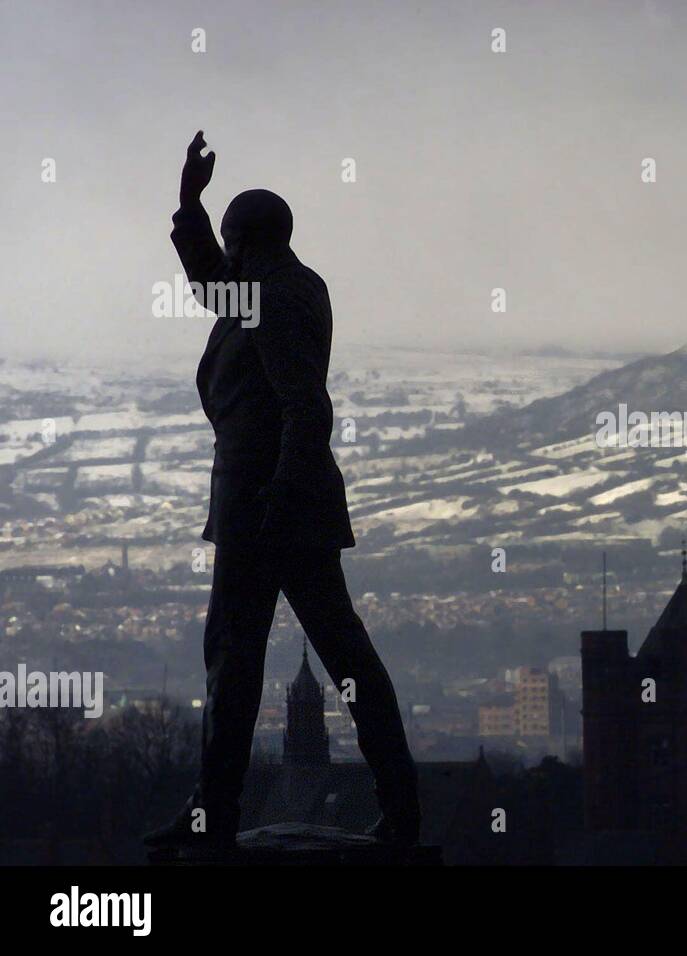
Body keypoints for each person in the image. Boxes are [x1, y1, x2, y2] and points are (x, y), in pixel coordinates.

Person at [144, 132, 420, 849]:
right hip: (279, 505)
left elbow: (306, 406)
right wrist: (189, 207)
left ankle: (218, 814)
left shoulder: (277, 298)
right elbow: (212, 284)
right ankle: (394, 805)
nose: (225, 258)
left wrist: (274, 495)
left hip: (267, 508)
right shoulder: (277, 286)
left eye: (230, 243)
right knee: (334, 656)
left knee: (244, 663)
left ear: (246, 243)